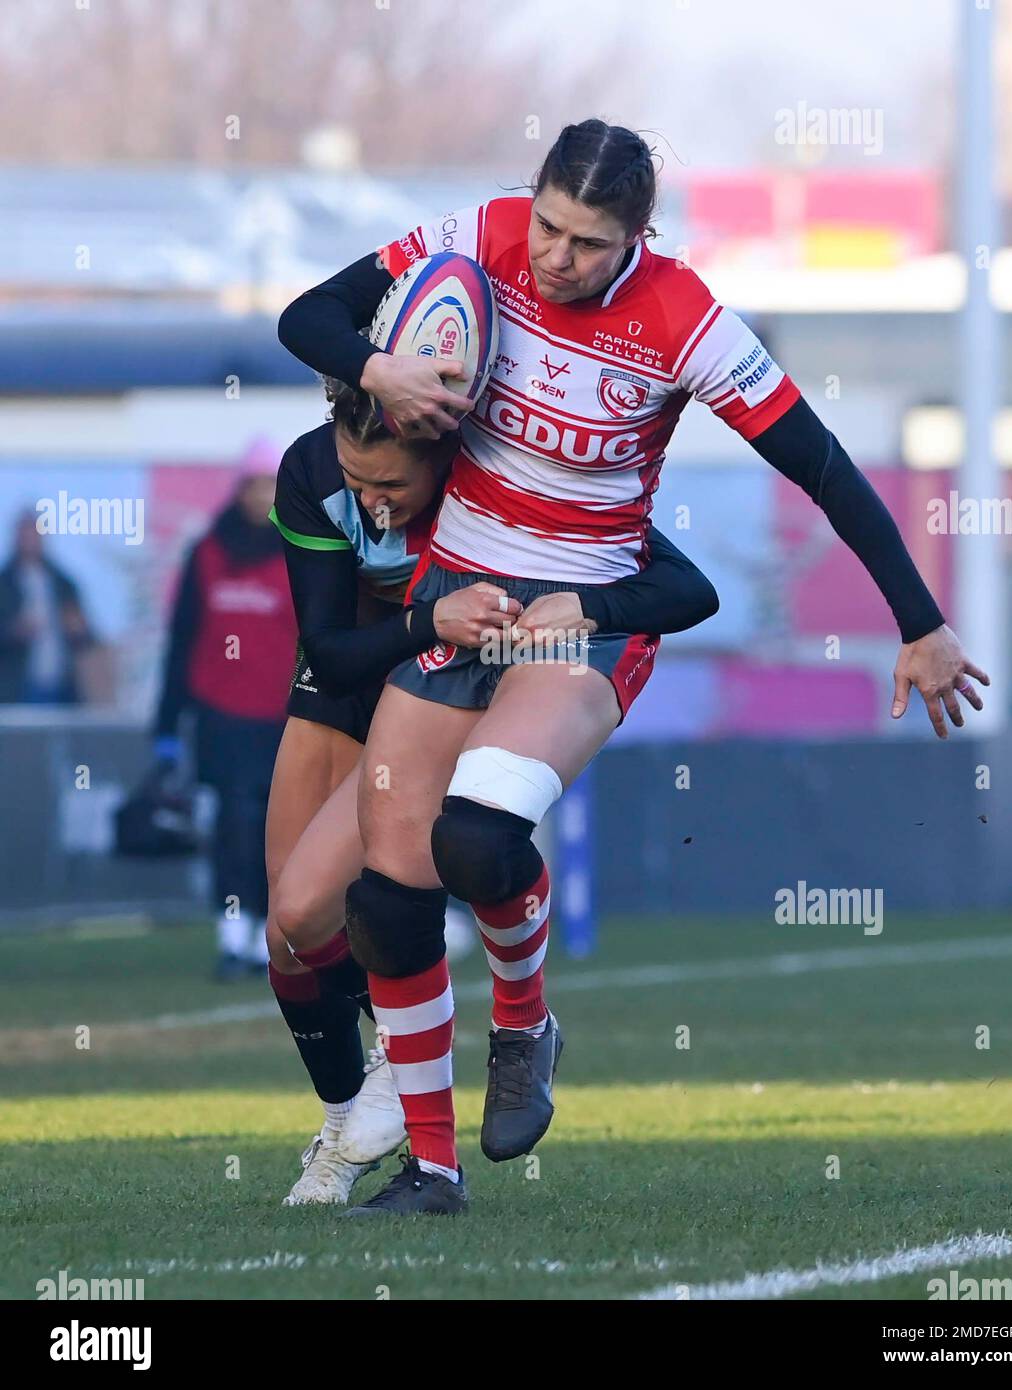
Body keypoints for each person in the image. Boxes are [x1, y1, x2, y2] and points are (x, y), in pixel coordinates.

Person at [278, 118, 990, 1217]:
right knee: (385, 896)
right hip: (457, 608)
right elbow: (304, 316)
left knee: (478, 832)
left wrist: (921, 619)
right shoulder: (482, 239)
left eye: (588, 242)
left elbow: (823, 466)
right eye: (550, 226)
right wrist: (381, 366)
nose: (557, 257)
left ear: (639, 239)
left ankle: (525, 1019)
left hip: (583, 624)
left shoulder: (686, 320)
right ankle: (432, 1170)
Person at [263, 375, 720, 1205]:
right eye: (358, 483)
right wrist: (428, 622)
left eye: (394, 487)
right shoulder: (313, 470)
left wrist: (574, 609)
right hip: (364, 663)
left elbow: (687, 589)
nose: (372, 505)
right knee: (291, 928)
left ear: (449, 455)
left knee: (436, 862)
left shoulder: (508, 481)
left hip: (455, 681)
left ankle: (411, 1096)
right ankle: (352, 1111)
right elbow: (327, 650)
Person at [154, 446, 295, 979]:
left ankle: (267, 940)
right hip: (221, 718)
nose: (262, 497)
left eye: (270, 487)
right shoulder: (208, 553)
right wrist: (166, 726)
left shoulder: (298, 551)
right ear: (239, 491)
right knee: (233, 827)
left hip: (283, 718)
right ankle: (232, 936)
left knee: (274, 832)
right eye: (254, 485)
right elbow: (182, 639)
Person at [0, 511, 93, 704]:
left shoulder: (63, 583)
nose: (31, 540)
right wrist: (14, 631)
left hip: (63, 686)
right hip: (17, 688)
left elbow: (86, 635)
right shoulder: (4, 584)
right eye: (26, 535)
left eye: (35, 535)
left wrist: (78, 629)